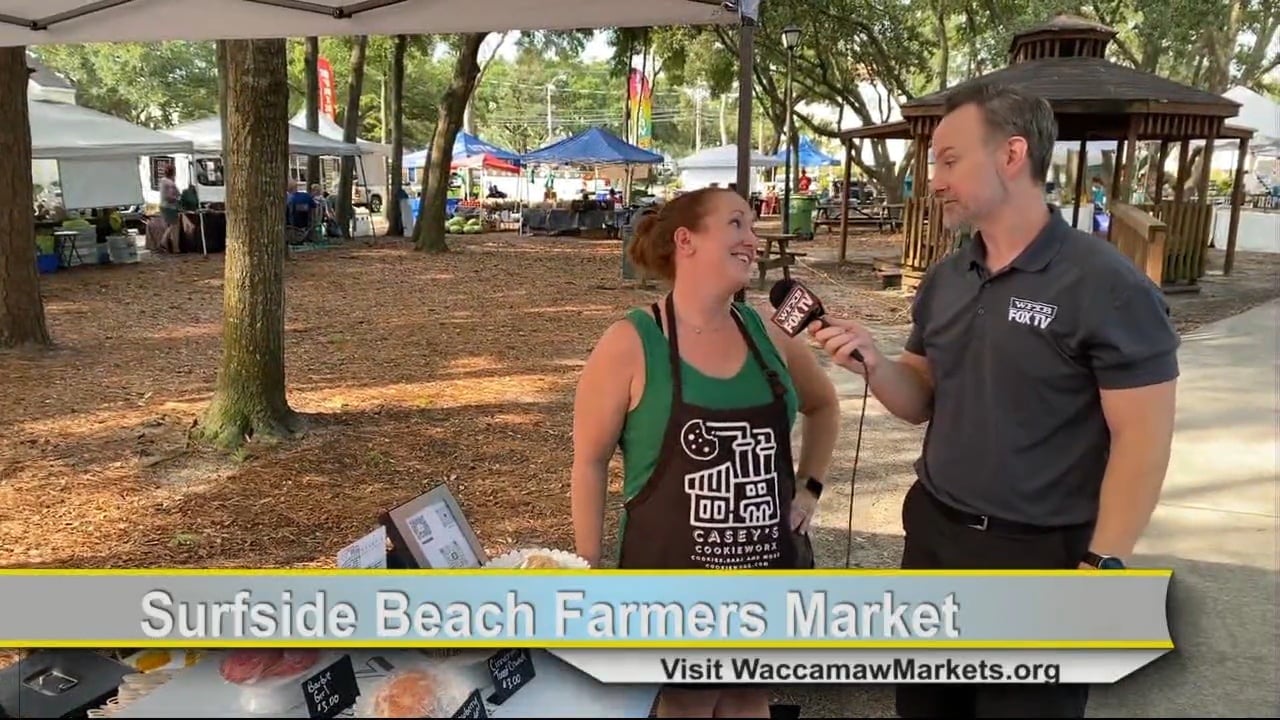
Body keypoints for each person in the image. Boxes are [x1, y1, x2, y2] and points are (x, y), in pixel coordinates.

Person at [809, 82, 1180, 719]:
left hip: (1042, 560)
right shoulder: (948, 277)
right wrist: (873, 362)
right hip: (933, 539)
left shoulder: (1108, 286)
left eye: (950, 160)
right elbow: (921, 395)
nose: (934, 180)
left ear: (1012, 155)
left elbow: (1143, 442)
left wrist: (1102, 565)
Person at [571, 187, 841, 718]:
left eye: (753, 225)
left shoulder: (767, 332)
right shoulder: (632, 341)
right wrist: (587, 568)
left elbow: (825, 405)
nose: (752, 238)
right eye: (736, 224)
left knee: (749, 698)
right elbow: (590, 461)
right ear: (686, 241)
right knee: (688, 705)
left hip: (766, 577)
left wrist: (808, 489)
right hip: (673, 586)